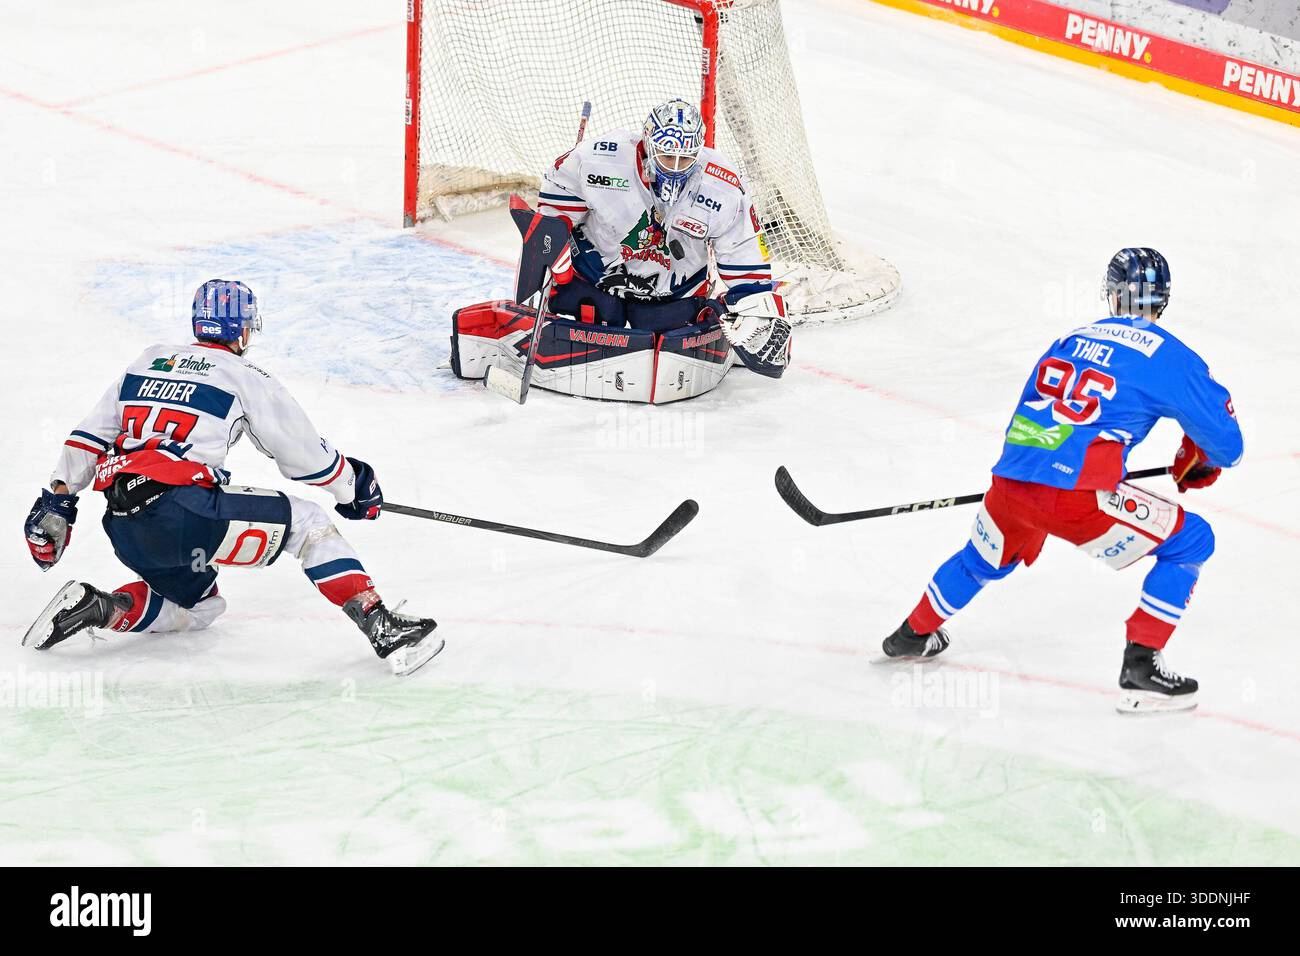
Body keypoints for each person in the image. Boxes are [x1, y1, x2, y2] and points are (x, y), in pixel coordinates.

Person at [881, 249, 1243, 713]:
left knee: (981, 560)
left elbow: (1036, 414)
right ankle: (1141, 668)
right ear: (1164, 299)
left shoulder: (1070, 339)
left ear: (1112, 295)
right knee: (1191, 541)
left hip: (1012, 481)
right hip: (1078, 497)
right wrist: (1200, 456)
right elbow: (1227, 446)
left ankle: (913, 634)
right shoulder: (1172, 358)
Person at [22, 279, 442, 676]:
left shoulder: (148, 359)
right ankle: (380, 623)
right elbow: (305, 457)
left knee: (200, 608)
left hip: (126, 527)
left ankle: (103, 607)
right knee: (309, 523)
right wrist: (355, 487)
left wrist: (58, 502)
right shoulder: (245, 376)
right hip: (186, 509)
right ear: (242, 330)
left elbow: (89, 436)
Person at [539, 97, 791, 376]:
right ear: (648, 143)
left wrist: (753, 305)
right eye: (668, 156)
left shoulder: (723, 185)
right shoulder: (599, 158)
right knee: (598, 311)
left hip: (671, 291)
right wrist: (553, 250)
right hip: (597, 278)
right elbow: (553, 206)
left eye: (685, 159)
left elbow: (744, 250)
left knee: (662, 328)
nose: (675, 168)